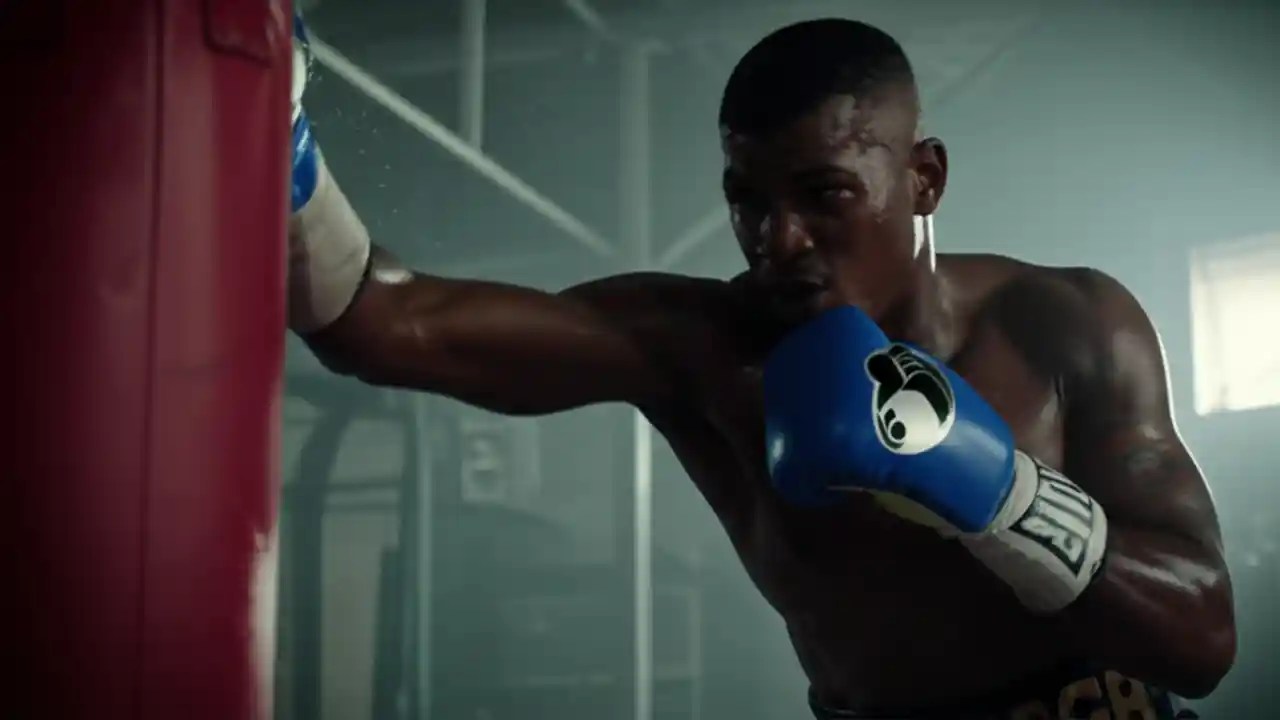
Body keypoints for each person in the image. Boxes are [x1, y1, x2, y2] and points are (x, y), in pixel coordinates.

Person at [287, 16, 1235, 719]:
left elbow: (1202, 642)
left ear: (925, 178)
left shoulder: (1066, 324)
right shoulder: (703, 348)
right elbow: (384, 321)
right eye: (750, 202)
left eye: (825, 195)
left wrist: (1000, 498)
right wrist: (276, 139)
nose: (778, 241)